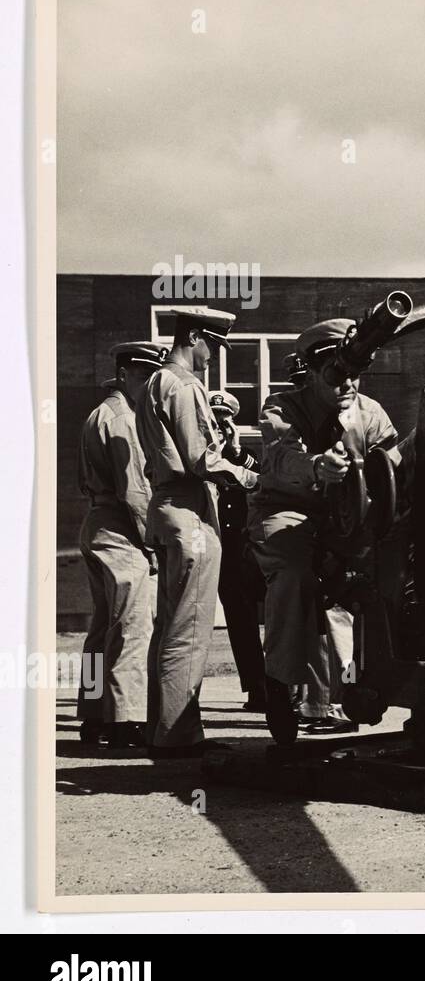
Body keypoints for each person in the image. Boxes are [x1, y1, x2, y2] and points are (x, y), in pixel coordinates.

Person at [249, 319, 403, 745]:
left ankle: (352, 692)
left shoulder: (370, 413)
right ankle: (279, 685)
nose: (348, 384)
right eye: (337, 375)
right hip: (288, 512)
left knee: (376, 583)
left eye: (355, 375)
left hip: (349, 520)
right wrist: (317, 466)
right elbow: (279, 458)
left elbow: (393, 468)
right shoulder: (283, 407)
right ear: (314, 373)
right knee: (296, 576)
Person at [135, 309, 257, 758]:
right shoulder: (184, 385)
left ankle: (162, 729)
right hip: (190, 508)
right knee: (188, 629)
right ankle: (178, 735)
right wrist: (249, 479)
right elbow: (202, 458)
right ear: (193, 337)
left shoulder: (153, 382)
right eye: (211, 346)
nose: (212, 357)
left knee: (169, 626)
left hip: (166, 505)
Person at [75, 341, 168, 747]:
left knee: (102, 630)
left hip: (99, 522)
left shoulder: (104, 412)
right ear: (126, 373)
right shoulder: (123, 419)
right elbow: (135, 491)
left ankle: (95, 715)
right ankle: (124, 719)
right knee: (132, 625)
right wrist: (154, 541)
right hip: (120, 527)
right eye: (144, 376)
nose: (149, 385)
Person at [209, 391, 266, 713]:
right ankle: (256, 689)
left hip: (251, 547)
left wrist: (236, 448)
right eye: (213, 421)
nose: (219, 427)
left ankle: (281, 687)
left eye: (224, 421)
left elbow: (259, 479)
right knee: (240, 624)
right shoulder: (199, 454)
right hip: (224, 551)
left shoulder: (246, 456)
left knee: (273, 619)